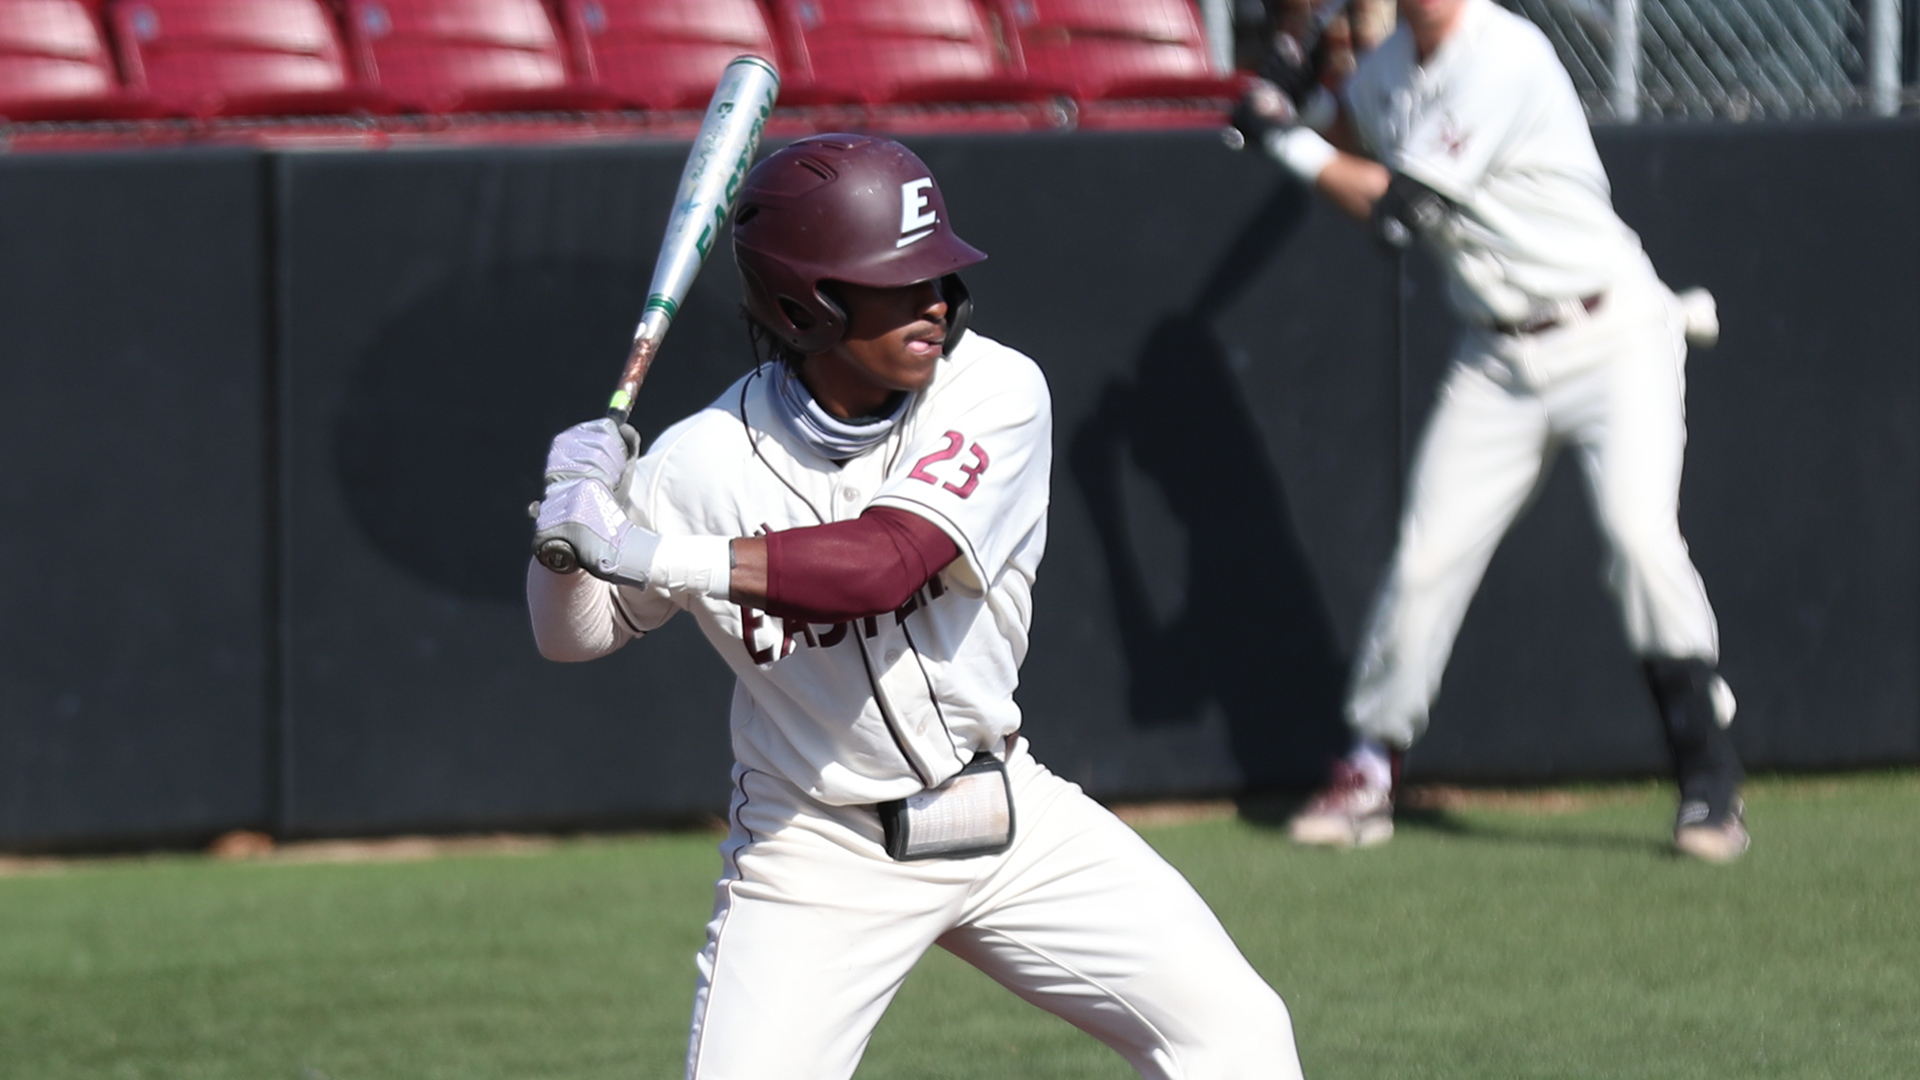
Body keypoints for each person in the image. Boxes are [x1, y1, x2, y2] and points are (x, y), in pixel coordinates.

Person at [527, 134, 1305, 1079]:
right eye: (897, 281)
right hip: (816, 848)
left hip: (1006, 815)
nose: (936, 299)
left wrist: (647, 550)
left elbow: (884, 564)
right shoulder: (699, 464)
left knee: (1236, 1034)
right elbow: (572, 639)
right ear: (803, 302)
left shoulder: (995, 388)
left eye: (938, 271)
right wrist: (568, 536)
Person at [1232, 0, 1748, 862]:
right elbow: (1356, 139)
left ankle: (1709, 779)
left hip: (1610, 332)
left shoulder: (1506, 54)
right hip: (1496, 356)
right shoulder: (1389, 65)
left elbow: (1397, 206)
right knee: (1426, 559)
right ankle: (1368, 769)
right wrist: (1294, 97)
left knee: (1639, 538)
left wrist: (1280, 138)